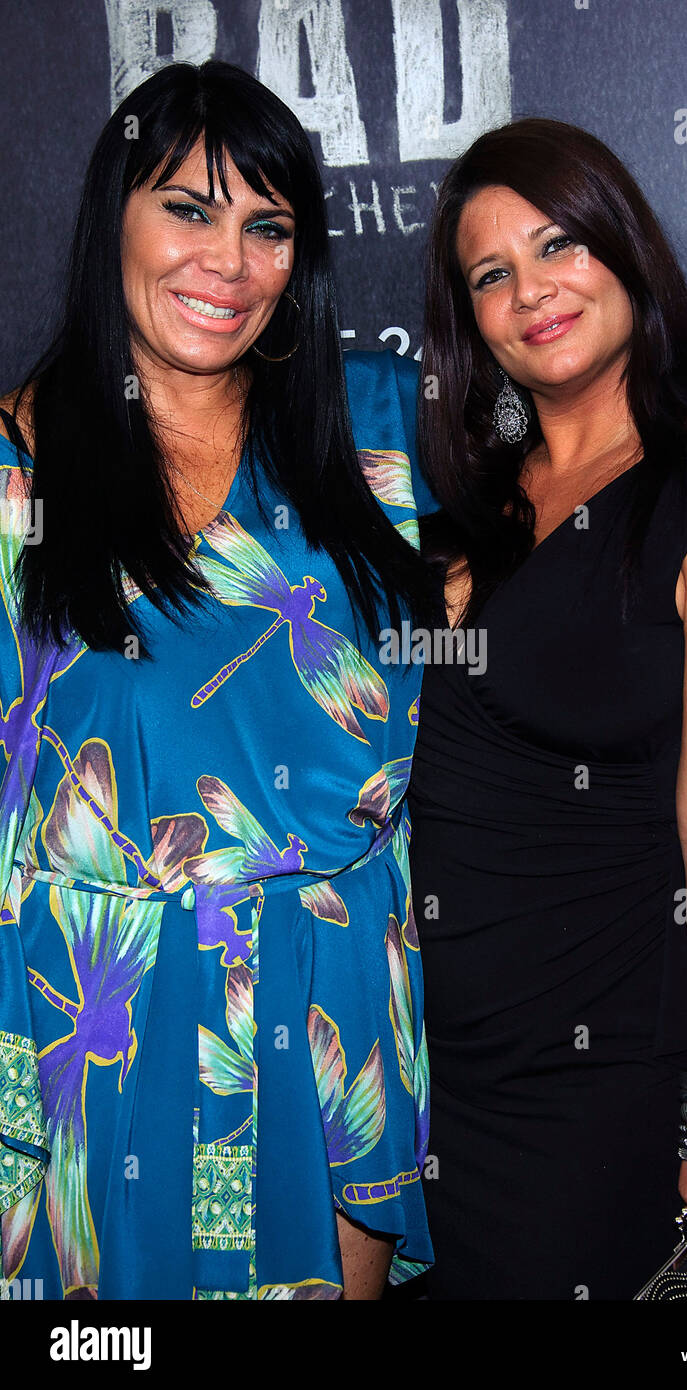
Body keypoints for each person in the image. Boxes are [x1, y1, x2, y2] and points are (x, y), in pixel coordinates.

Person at [0, 61, 436, 1300]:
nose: (227, 263)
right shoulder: (12, 468)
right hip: (94, 1025)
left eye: (267, 227)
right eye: (187, 210)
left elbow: (619, 422)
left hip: (321, 1019)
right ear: (112, 222)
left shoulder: (382, 431)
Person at [406, 117, 687, 1300]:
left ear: (623, 247)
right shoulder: (467, 500)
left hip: (621, 1072)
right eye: (490, 275)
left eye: (559, 246)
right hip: (455, 1082)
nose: (531, 291)